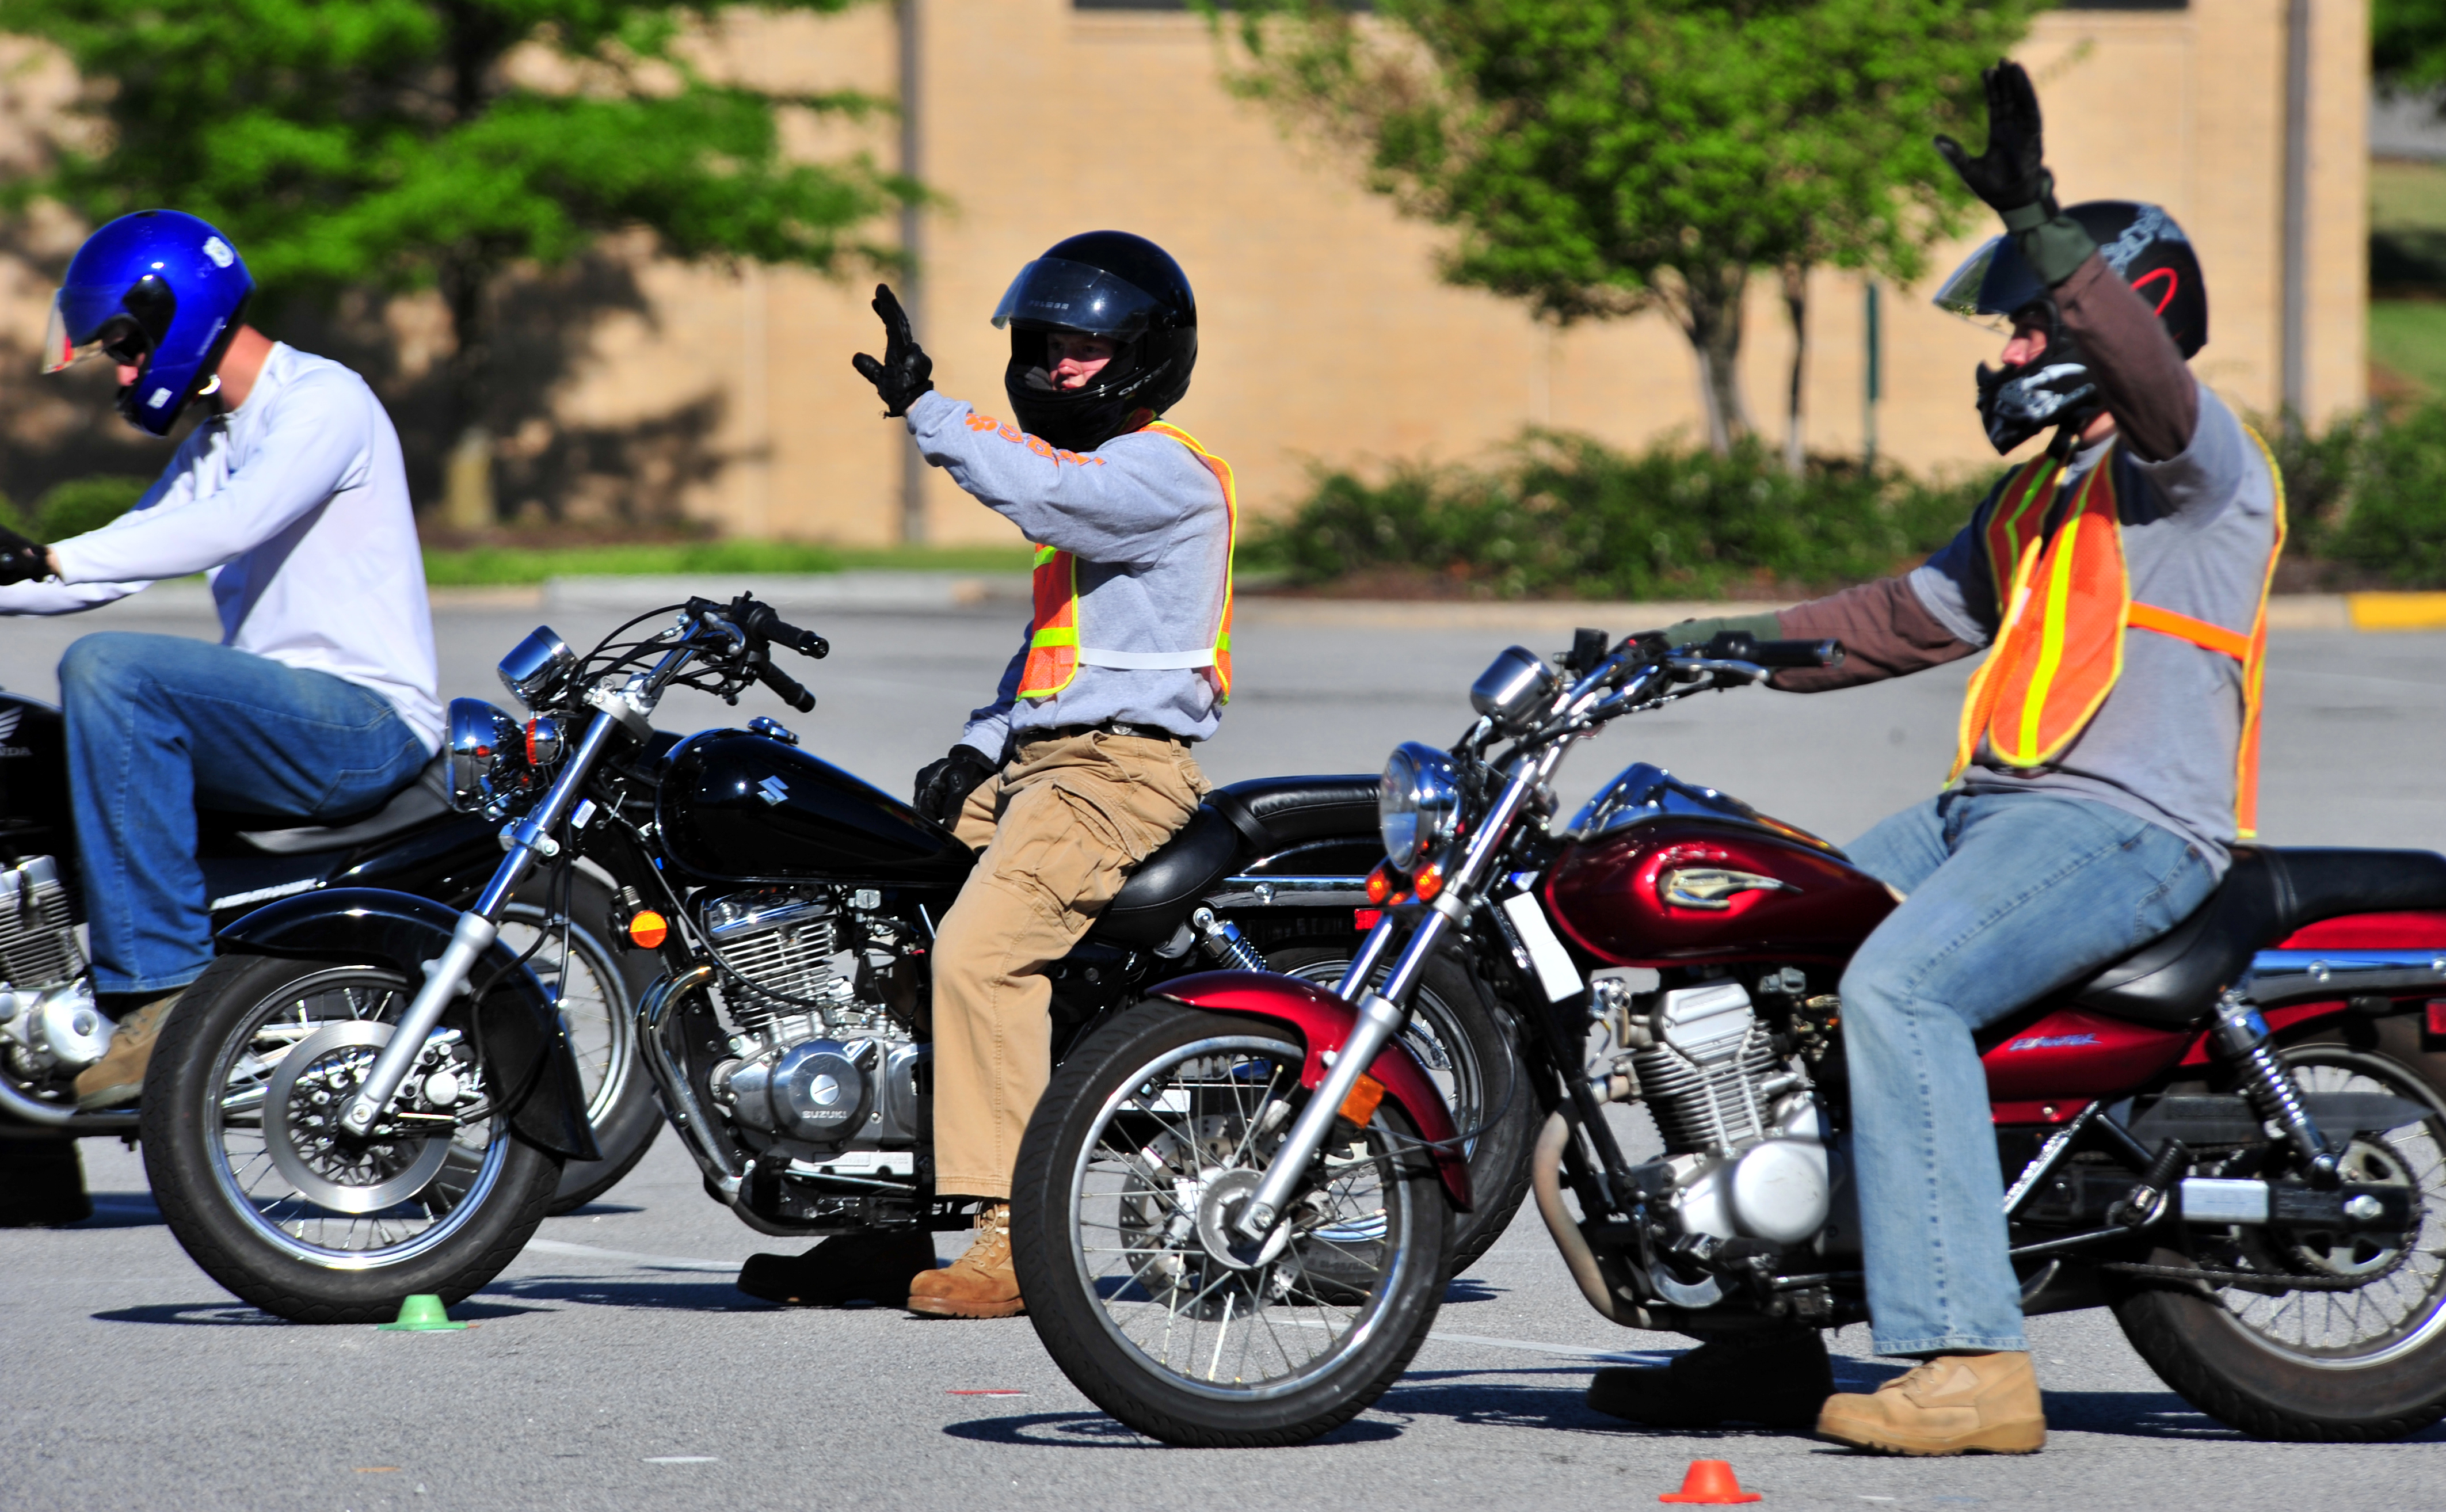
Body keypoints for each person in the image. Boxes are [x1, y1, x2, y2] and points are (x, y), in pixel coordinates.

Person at [1584, 63, 2279, 1455]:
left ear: (2117, 317)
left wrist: (2037, 219)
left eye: (2029, 328)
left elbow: (2154, 383)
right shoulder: (2036, 496)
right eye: (2017, 330)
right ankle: (1765, 1340)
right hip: (1994, 817)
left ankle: (1971, 1358)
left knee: (1896, 991)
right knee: (1750, 952)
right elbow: (1895, 622)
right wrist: (1691, 644)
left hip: (2130, 824)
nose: (2012, 352)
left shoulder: (2195, 471)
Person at [736, 231, 1235, 1316]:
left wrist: (931, 410)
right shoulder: (1100, 491)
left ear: (1146, 356)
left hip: (1115, 777)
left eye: (1086, 351)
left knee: (978, 956)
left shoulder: (1159, 473)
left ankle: (1019, 1237)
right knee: (881, 939)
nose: (1060, 367)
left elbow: (1040, 494)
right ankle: (886, 1223)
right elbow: (1053, 656)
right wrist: (977, 741)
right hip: (1039, 764)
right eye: (1047, 348)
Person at [0, 210, 441, 1113]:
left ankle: (159, 996)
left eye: (125, 347)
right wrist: (27, 573)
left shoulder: (324, 400)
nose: (122, 373)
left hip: (361, 719)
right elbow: (116, 556)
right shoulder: (218, 440)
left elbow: (230, 526)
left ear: (180, 314)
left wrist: (52, 557)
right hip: (284, 718)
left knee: (111, 671)